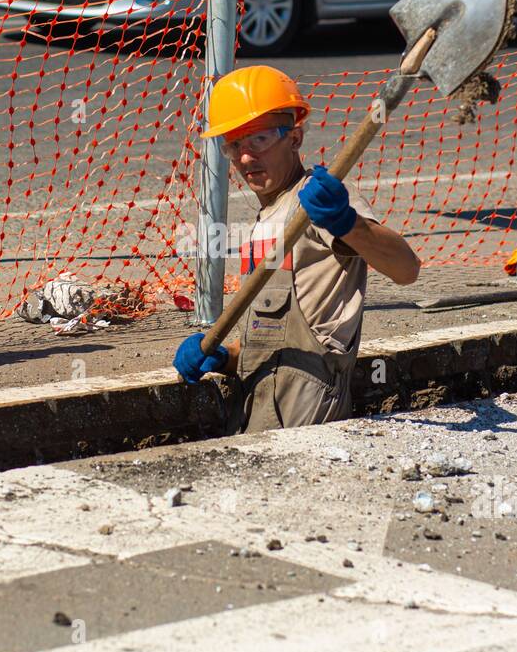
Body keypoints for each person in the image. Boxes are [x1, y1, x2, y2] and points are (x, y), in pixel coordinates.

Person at [173, 66, 420, 433]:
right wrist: (225, 357)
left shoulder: (319, 202)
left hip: (310, 416)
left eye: (258, 139)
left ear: (295, 137)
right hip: (256, 414)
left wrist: (345, 221)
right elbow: (273, 347)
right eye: (235, 145)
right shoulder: (264, 221)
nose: (245, 158)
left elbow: (406, 268)